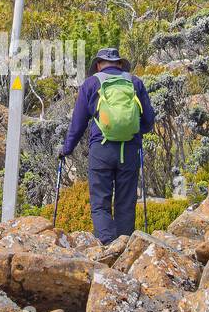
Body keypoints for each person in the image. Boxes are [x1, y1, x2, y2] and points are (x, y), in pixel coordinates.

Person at [59, 47, 155, 243]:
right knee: (126, 202)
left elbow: (77, 124)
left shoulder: (91, 83)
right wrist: (134, 134)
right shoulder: (135, 82)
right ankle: (123, 248)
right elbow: (149, 120)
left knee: (100, 203)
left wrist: (66, 149)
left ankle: (106, 246)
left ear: (98, 65)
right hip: (129, 150)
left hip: (101, 150)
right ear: (120, 64)